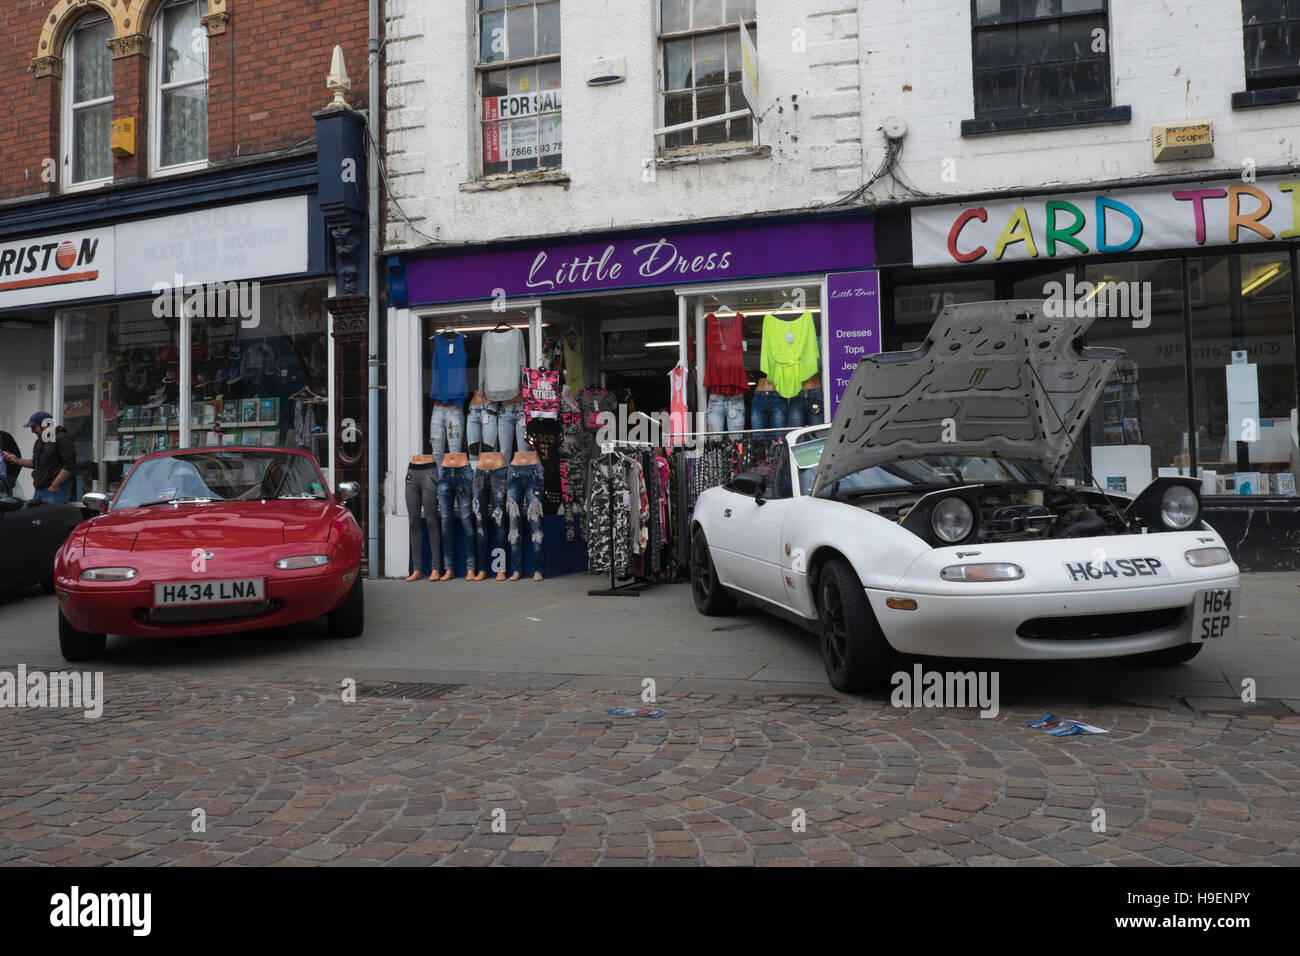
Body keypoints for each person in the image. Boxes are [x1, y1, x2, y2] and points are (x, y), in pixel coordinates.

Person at [1, 411, 76, 504]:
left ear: (46, 425)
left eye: (34, 427)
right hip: (40, 489)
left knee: (52, 517)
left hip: (56, 490)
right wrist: (17, 460)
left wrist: (54, 485)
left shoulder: (62, 438)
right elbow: (35, 463)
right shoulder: (40, 442)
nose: (32, 431)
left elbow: (69, 465)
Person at [0, 428, 21, 496]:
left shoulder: (4, 437)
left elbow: (16, 458)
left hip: (3, 483)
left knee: (7, 504)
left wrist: (11, 479)